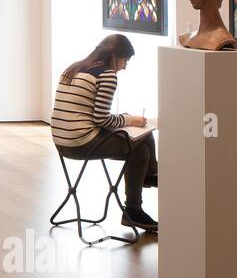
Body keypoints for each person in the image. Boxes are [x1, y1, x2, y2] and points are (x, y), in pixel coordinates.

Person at [51, 34, 159, 232]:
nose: (125, 66)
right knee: (144, 134)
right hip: (82, 143)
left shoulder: (74, 68)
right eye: (126, 60)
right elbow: (101, 120)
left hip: (61, 142)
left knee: (141, 150)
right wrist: (130, 119)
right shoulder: (107, 75)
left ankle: (148, 179)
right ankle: (144, 189)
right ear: (115, 56)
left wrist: (125, 120)